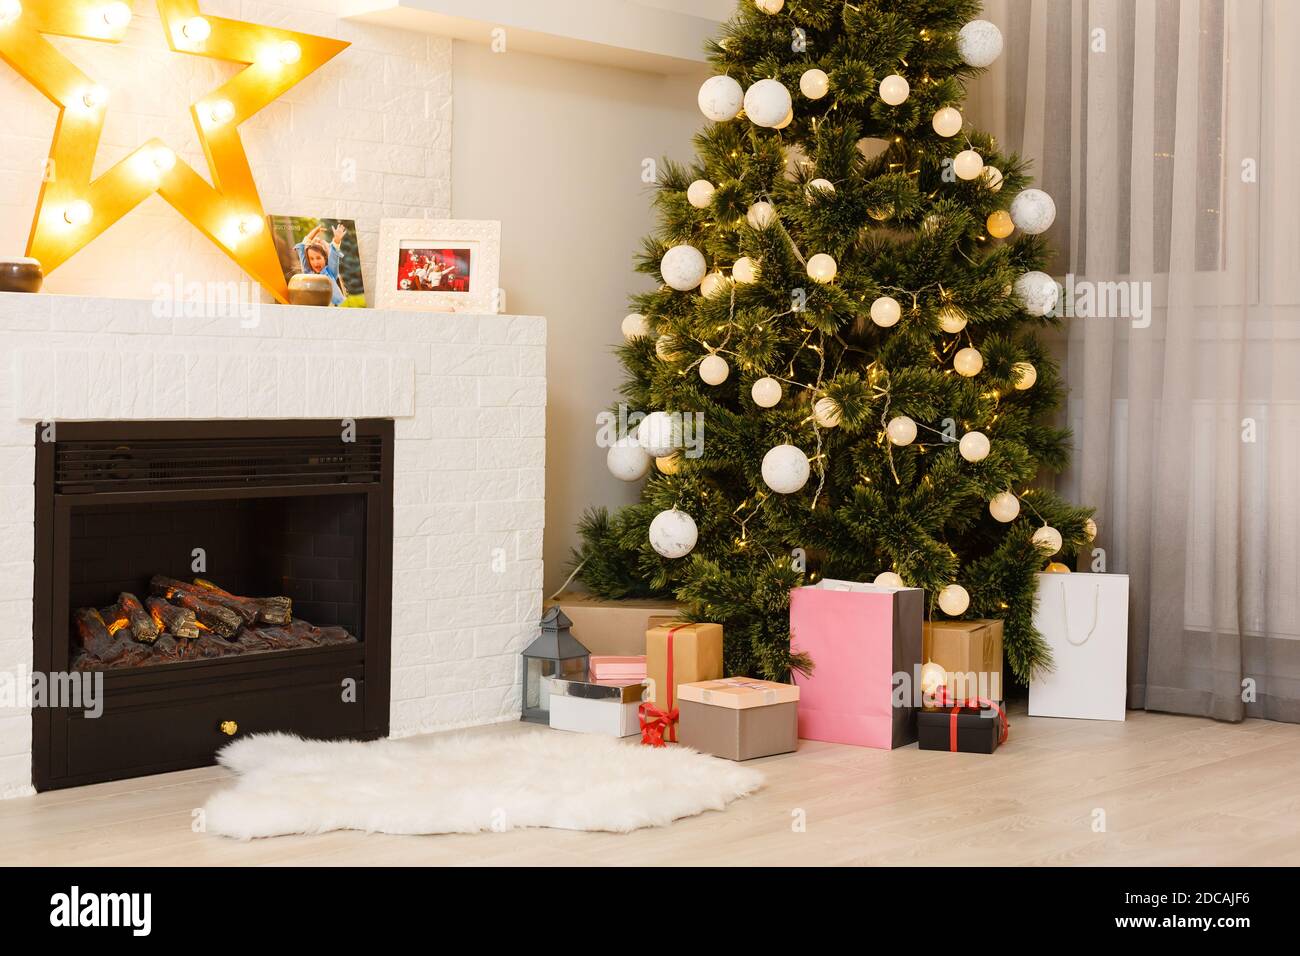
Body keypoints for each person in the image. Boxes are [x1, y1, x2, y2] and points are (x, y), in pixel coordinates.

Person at [294, 223, 348, 306]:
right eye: (311, 259)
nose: (315, 262)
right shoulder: (308, 274)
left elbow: (334, 254)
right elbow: (302, 247)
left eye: (318, 258)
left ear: (325, 258)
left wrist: (337, 240)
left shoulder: (330, 272)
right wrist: (316, 230)